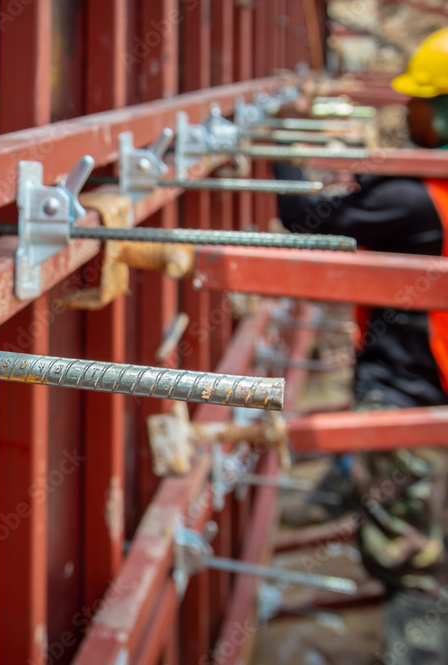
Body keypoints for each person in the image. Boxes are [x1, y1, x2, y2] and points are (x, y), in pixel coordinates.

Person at [273, 27, 448, 665]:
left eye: (421, 101)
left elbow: (305, 217)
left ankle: (419, 652)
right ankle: (347, 479)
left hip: (407, 399)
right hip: (429, 391)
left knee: (412, 560)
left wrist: (282, 143)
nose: (409, 111)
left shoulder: (416, 200)